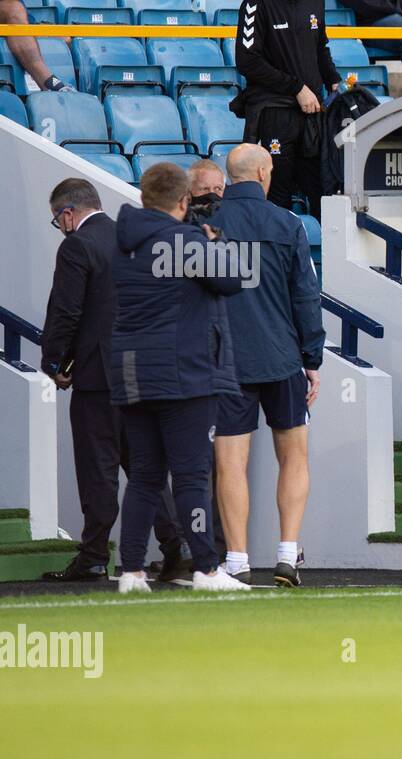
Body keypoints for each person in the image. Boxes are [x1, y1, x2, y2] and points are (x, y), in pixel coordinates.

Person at [38, 178, 190, 584]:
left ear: (68, 213)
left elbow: (66, 312)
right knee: (147, 470)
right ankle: (177, 549)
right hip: (143, 374)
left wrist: (54, 361)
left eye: (58, 220)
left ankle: (92, 557)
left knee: (97, 470)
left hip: (98, 377)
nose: (61, 227)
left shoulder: (76, 246)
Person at [109, 163, 251, 594]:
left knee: (146, 477)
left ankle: (131, 571)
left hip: (132, 372)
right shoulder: (185, 240)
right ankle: (207, 568)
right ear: (184, 200)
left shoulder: (123, 244)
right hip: (182, 373)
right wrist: (214, 243)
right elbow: (233, 279)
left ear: (143, 197)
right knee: (191, 476)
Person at [207, 144, 325, 588]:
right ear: (262, 173)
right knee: (293, 455)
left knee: (230, 463)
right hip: (282, 358)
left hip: (227, 361)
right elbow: (305, 297)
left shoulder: (207, 226)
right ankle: (286, 553)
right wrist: (312, 357)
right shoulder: (287, 223)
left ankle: (236, 560)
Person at [233, 0, 341, 218]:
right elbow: (247, 61)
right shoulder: (256, 4)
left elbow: (320, 47)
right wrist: (296, 88)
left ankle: (322, 251)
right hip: (274, 112)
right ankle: (275, 250)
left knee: (322, 192)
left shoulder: (316, 2)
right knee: (278, 193)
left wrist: (333, 80)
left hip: (312, 115)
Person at [0, 0, 73, 92]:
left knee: (65, 39)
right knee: (13, 9)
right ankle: (51, 84)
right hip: (12, 17)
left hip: (21, 20)